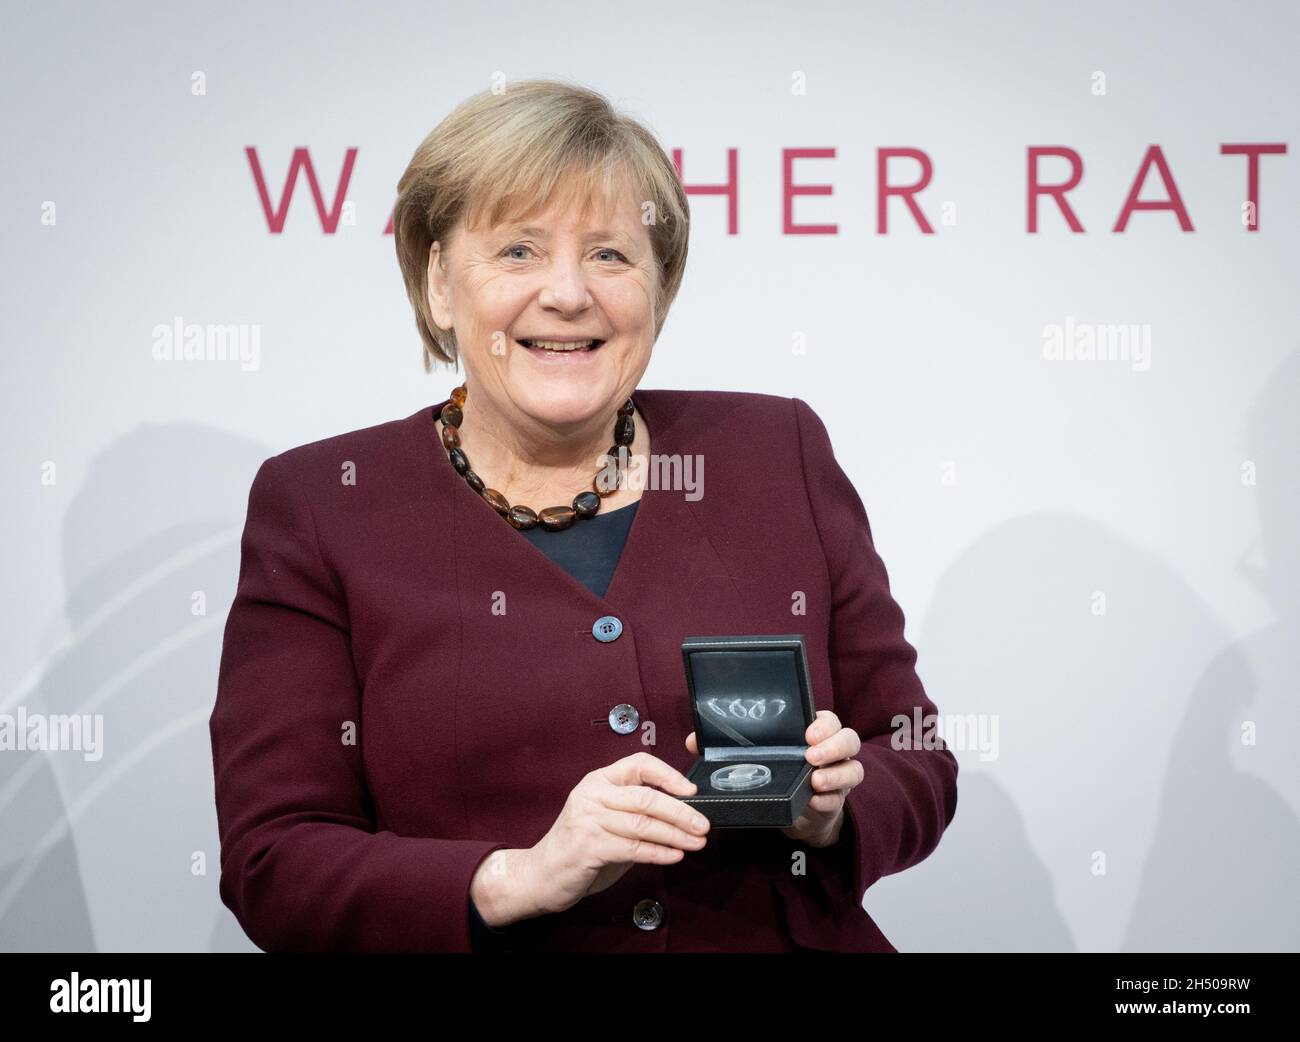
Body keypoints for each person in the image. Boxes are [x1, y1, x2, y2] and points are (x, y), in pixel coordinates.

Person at [208, 78, 958, 952]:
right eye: (518, 251)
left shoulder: (774, 451)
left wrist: (833, 806)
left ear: (658, 291)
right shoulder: (322, 503)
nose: (567, 295)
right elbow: (273, 858)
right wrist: (518, 877)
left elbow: (915, 755)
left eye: (610, 255)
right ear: (439, 284)